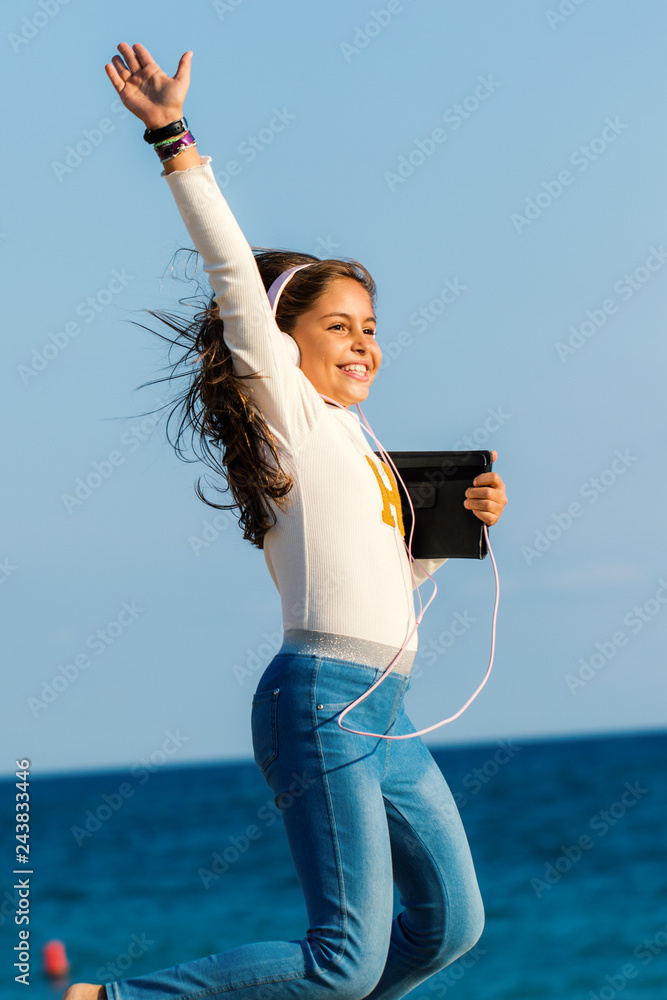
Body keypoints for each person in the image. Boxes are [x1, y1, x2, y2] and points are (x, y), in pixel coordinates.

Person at [62, 41, 508, 1000]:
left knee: (450, 928)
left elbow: (389, 577)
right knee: (342, 965)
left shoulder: (361, 445)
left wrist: (456, 531)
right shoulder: (289, 414)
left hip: (379, 710)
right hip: (319, 697)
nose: (363, 343)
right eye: (340, 325)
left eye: (372, 327)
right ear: (285, 339)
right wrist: (173, 139)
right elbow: (230, 269)